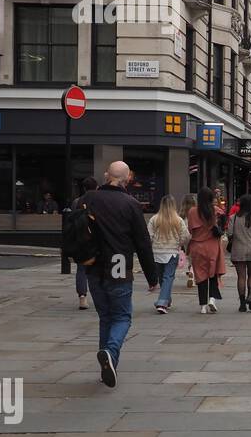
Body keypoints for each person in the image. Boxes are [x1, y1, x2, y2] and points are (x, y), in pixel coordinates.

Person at [77, 162, 160, 388]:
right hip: (119, 264)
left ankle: (107, 363)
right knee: (122, 317)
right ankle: (110, 353)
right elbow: (142, 243)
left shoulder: (88, 199)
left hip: (93, 265)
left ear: (106, 176)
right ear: (127, 179)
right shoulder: (130, 204)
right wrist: (152, 277)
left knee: (105, 316)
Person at [147, 195, 190, 315]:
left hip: (157, 252)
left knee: (162, 278)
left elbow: (148, 236)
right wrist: (179, 244)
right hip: (171, 252)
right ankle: (163, 302)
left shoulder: (154, 219)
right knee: (168, 277)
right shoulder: (178, 220)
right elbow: (186, 236)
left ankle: (166, 300)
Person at [187, 187, 227, 313]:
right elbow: (223, 224)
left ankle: (203, 306)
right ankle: (212, 299)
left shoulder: (192, 211)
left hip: (197, 247)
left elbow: (190, 229)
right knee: (213, 273)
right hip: (212, 246)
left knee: (200, 275)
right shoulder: (216, 211)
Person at [71, 177, 98, 310]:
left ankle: (82, 297)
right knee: (98, 268)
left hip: (80, 239)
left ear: (84, 188)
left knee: (81, 269)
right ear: (96, 187)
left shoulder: (76, 202)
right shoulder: (100, 201)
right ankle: (99, 295)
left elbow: (72, 221)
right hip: (96, 239)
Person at [180, 193, 198, 288]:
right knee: (196, 259)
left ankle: (191, 272)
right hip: (196, 238)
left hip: (186, 240)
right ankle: (192, 273)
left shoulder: (181, 216)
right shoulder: (196, 214)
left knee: (190, 258)